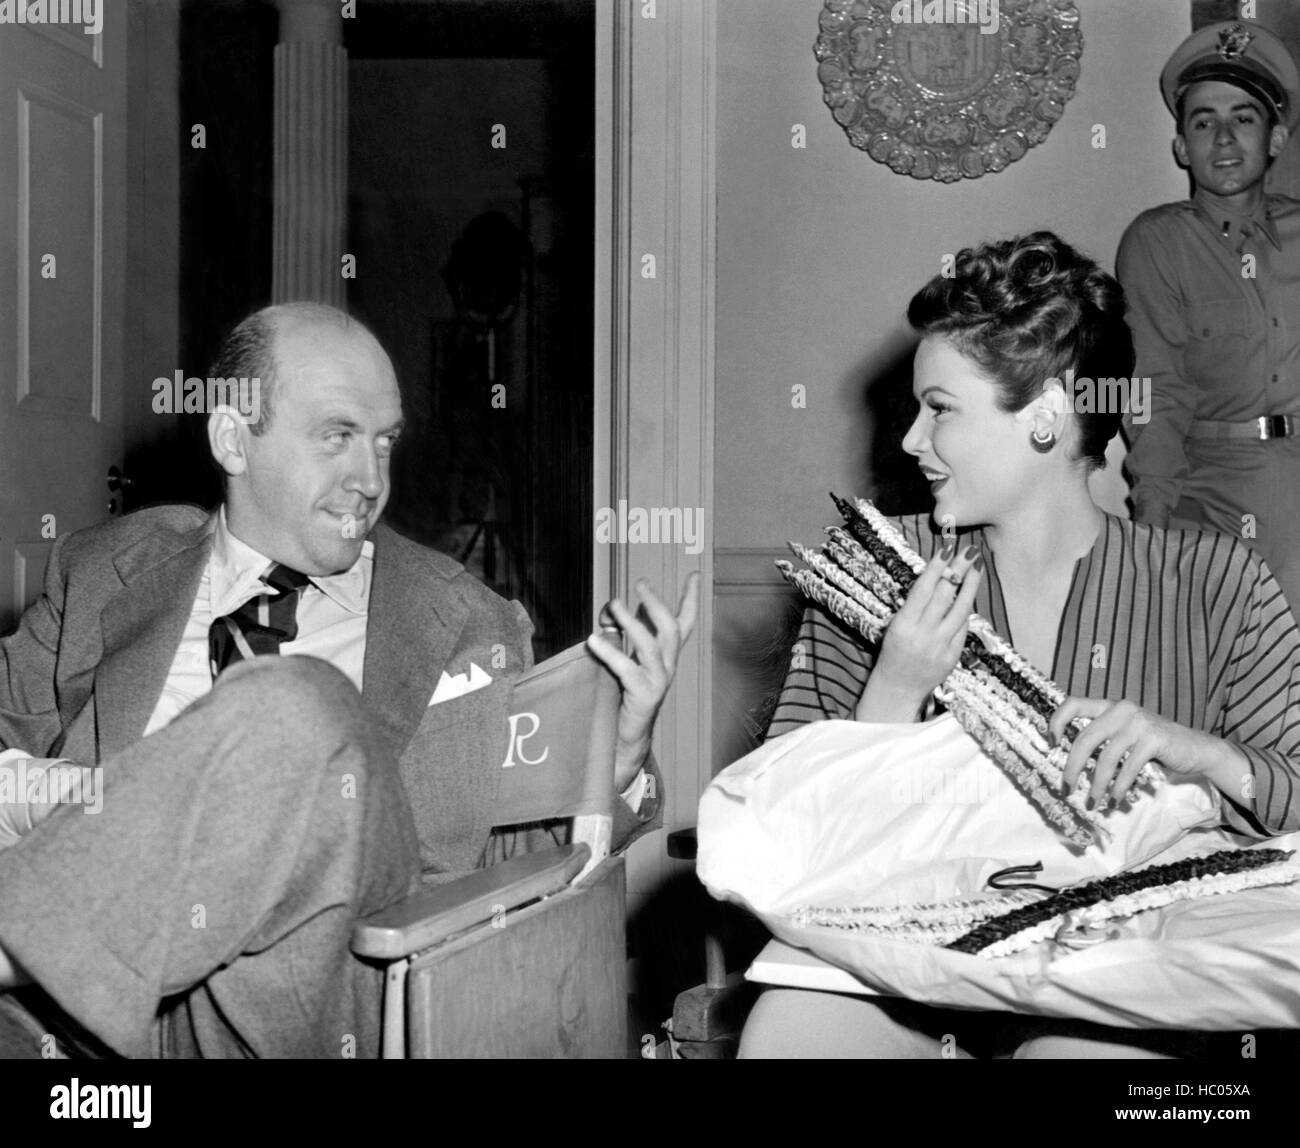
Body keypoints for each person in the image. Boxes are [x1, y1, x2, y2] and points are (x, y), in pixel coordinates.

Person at [0, 302, 699, 1058]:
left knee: (295, 708)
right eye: (337, 437)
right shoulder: (104, 570)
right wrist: (89, 802)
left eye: (385, 443)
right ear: (233, 437)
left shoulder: (463, 621)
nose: (370, 480)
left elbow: (520, 871)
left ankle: (28, 944)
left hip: (313, 1010)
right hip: (59, 1035)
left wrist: (617, 756)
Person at [741, 232, 1300, 1059]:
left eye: (941, 409)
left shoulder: (1221, 582)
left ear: (1045, 418)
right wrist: (894, 690)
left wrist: (1202, 754)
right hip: (910, 972)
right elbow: (779, 841)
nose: (910, 443)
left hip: (1124, 978)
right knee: (789, 1035)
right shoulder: (874, 575)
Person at [1117, 20, 1300, 610]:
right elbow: (1156, 390)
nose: (1223, 138)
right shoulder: (1157, 242)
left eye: (1243, 118)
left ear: (1275, 140)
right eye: (1203, 122)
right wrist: (1152, 524)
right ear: (1181, 148)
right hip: (1214, 495)